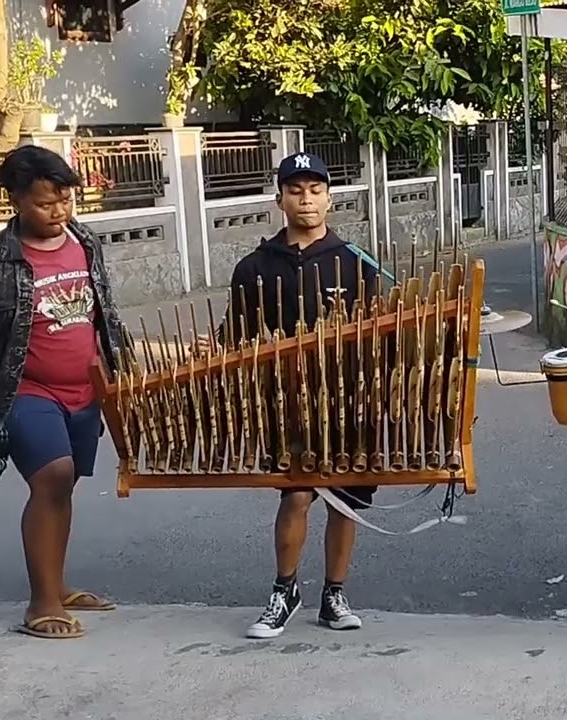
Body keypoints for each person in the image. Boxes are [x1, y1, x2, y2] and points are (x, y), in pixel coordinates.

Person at [0, 145, 128, 639]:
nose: (58, 212)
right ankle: (41, 603)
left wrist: (124, 372)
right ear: (16, 201)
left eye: (65, 200)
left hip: (85, 390)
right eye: (45, 203)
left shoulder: (84, 241)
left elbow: (104, 314)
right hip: (26, 391)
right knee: (52, 476)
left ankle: (58, 582)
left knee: (63, 486)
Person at [207, 152, 379, 639]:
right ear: (279, 197)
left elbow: (377, 331)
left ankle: (334, 594)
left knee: (344, 500)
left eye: (316, 189)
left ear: (330, 198)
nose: (306, 198)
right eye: (296, 189)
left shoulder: (355, 263)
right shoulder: (254, 268)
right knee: (296, 494)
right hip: (285, 401)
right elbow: (235, 335)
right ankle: (285, 590)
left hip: (347, 400)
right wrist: (217, 348)